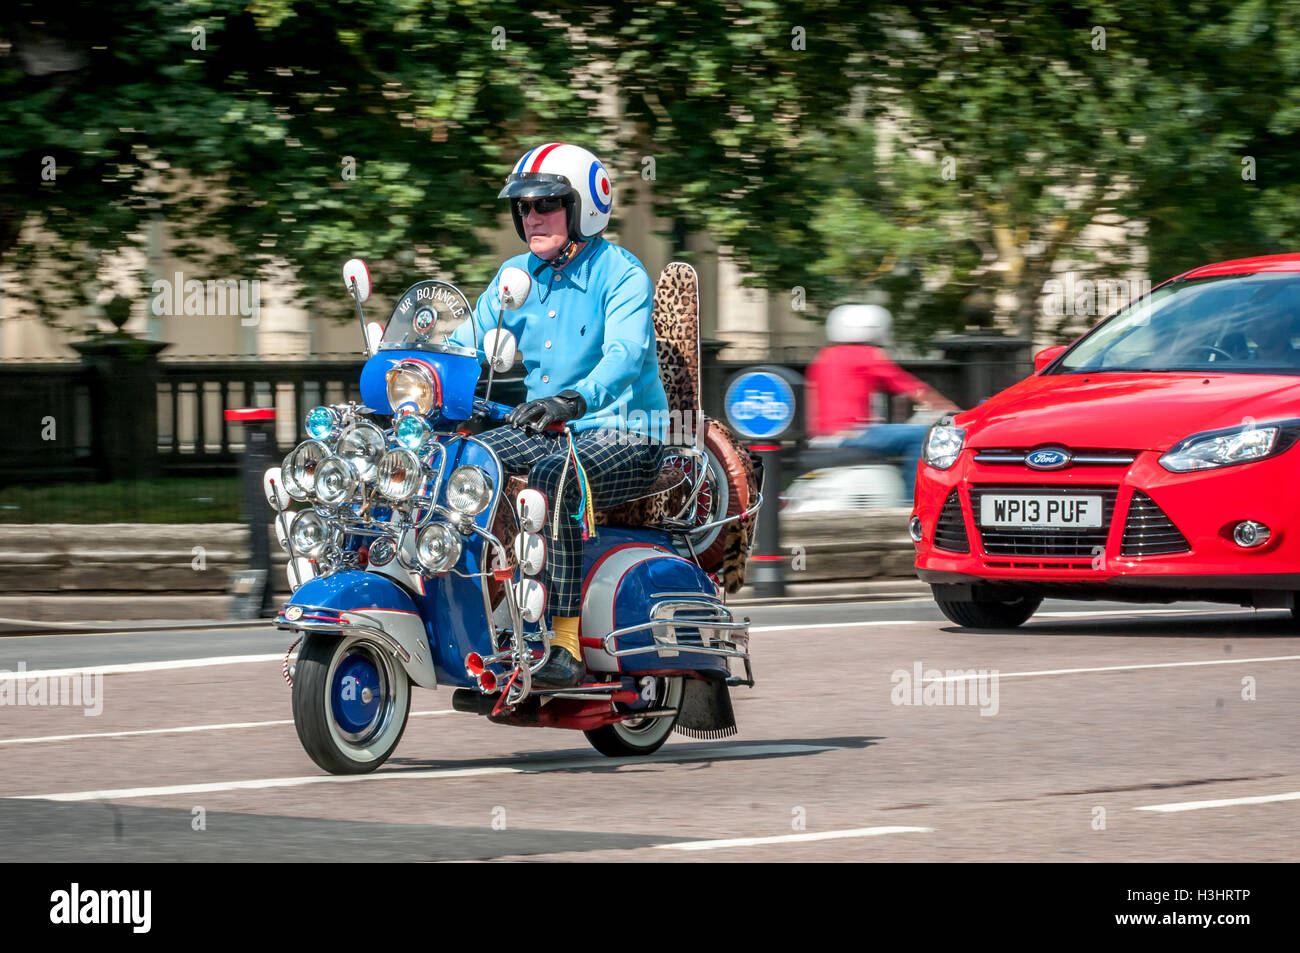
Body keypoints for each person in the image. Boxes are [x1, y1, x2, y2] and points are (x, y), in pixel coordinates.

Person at [449, 142, 670, 687]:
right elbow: (465, 342)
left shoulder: (621, 274)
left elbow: (624, 357)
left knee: (555, 477)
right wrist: (410, 366)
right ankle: (492, 608)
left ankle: (565, 645)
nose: (531, 217)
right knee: (466, 458)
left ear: (581, 207)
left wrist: (573, 399)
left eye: (545, 204)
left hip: (626, 434)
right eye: (522, 207)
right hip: (555, 431)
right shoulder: (515, 278)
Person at [804, 304, 958, 499]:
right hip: (852, 435)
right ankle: (913, 501)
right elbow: (911, 387)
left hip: (822, 438)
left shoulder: (824, 356)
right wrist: (950, 408)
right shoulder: (867, 355)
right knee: (920, 436)